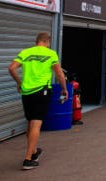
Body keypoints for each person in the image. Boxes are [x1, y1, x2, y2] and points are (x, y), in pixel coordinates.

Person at [8, 32, 68, 170]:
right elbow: (59, 73)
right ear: (46, 41)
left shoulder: (25, 52)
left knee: (30, 122)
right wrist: (64, 89)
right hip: (42, 91)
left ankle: (34, 151)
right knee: (36, 123)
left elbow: (11, 68)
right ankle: (28, 159)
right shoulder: (50, 53)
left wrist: (19, 82)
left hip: (27, 92)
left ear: (37, 41)